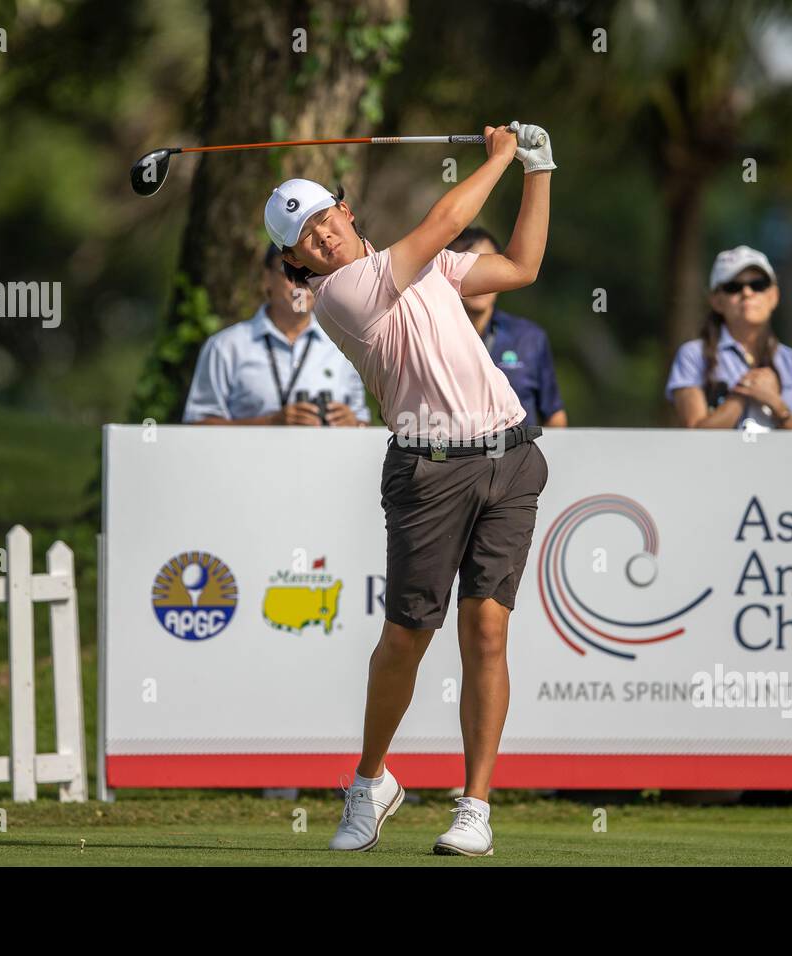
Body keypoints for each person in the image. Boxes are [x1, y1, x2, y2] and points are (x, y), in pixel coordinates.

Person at [265, 121, 554, 857]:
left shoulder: (431, 270)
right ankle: (370, 782)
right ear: (299, 262)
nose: (322, 238)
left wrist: (539, 172)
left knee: (488, 629)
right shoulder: (342, 294)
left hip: (511, 457)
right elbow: (446, 221)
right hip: (429, 472)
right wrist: (499, 158)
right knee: (406, 636)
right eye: (306, 240)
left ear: (345, 211)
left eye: (325, 219)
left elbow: (519, 266)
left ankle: (475, 807)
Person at [181, 242, 369, 427]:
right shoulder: (225, 346)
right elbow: (198, 425)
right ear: (266, 278)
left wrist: (353, 424)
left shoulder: (343, 344)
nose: (302, 282)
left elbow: (365, 425)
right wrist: (269, 423)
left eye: (311, 271)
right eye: (290, 272)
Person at [667, 245, 792, 431]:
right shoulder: (693, 355)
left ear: (774, 296)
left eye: (758, 285)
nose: (747, 293)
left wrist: (776, 404)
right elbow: (694, 434)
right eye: (733, 287)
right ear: (716, 301)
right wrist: (744, 392)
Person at [448, 226, 567, 428]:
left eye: (487, 267)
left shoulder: (529, 338)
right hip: (451, 457)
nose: (480, 278)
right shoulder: (425, 338)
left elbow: (554, 416)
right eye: (468, 267)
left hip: (518, 458)